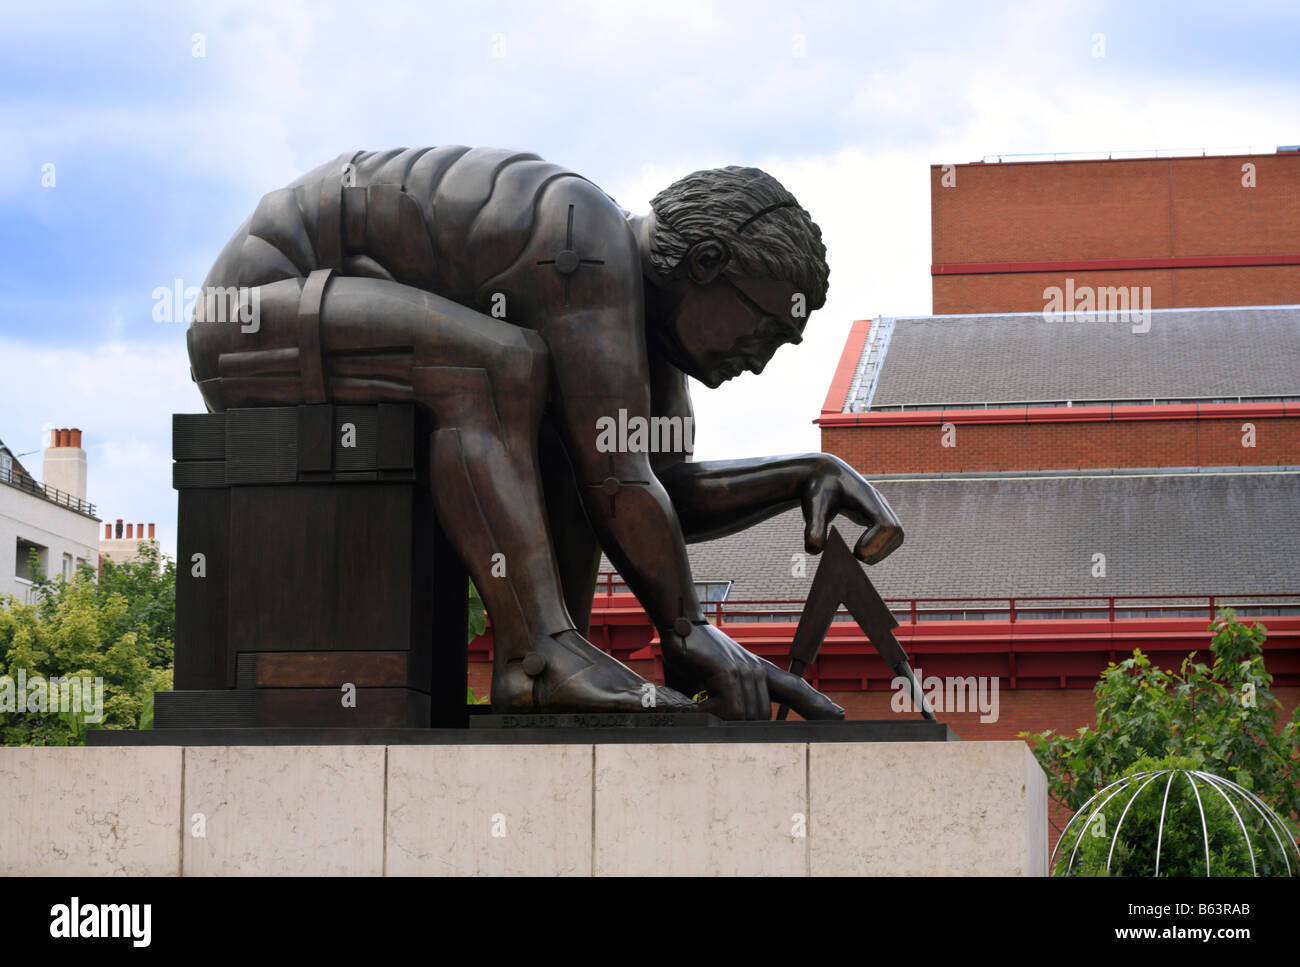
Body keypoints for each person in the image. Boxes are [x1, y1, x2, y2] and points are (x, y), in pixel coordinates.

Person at [187, 146, 903, 720]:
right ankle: (539, 659)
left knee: (541, 399)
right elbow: (619, 482)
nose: (760, 358)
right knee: (496, 367)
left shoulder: (639, 324)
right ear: (707, 266)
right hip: (250, 317)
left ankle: (562, 656)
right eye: (766, 326)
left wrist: (802, 475)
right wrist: (686, 631)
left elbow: (652, 497)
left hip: (330, 318)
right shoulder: (584, 239)